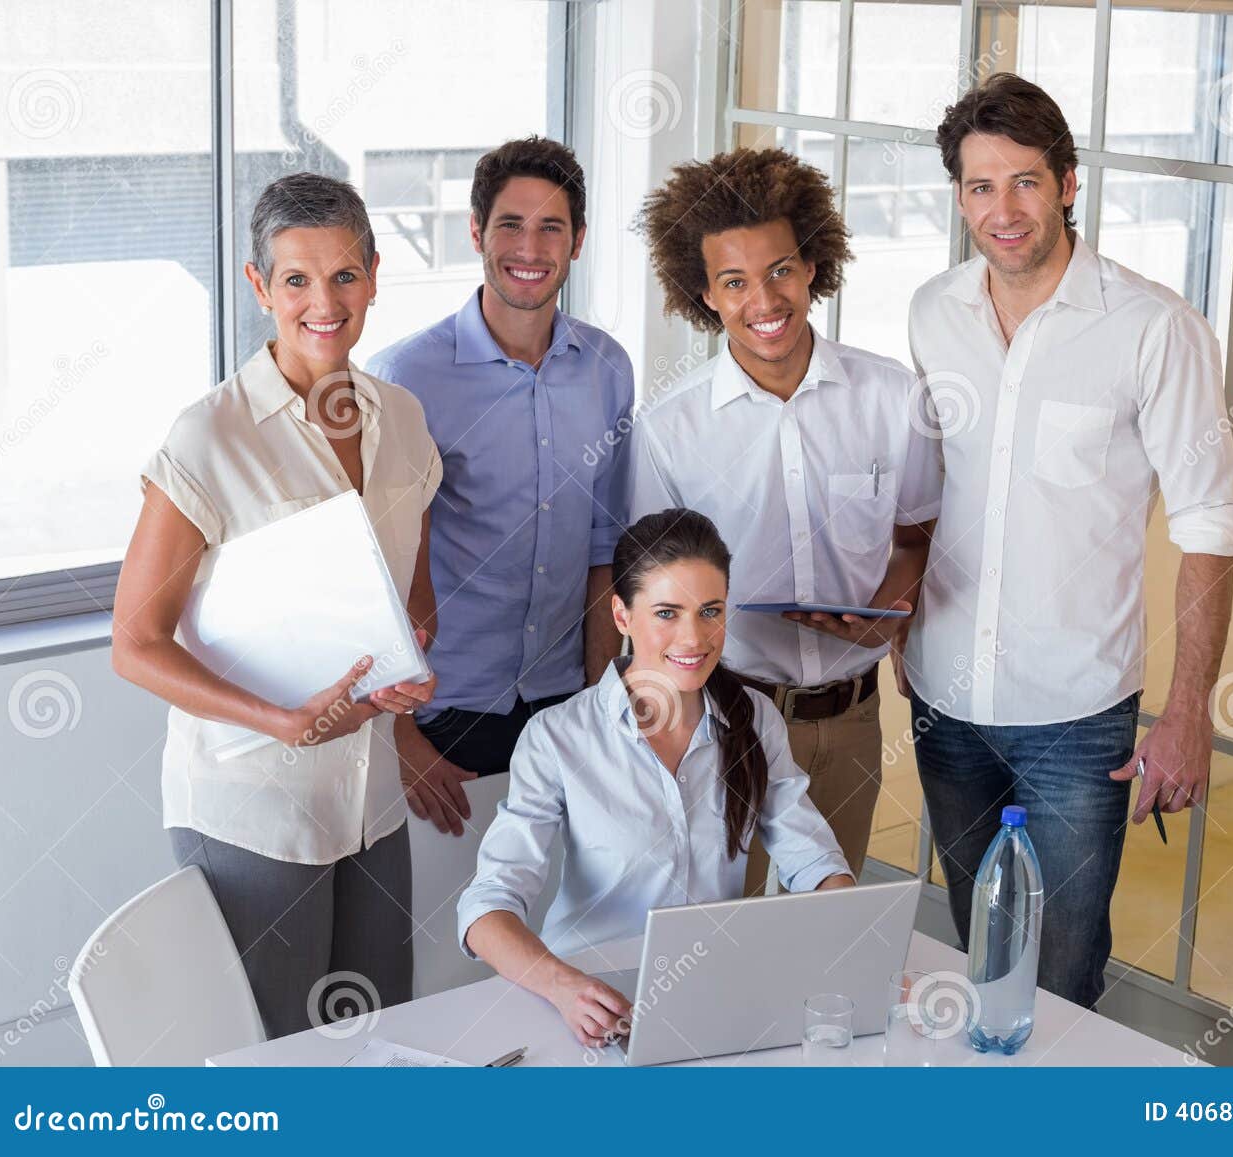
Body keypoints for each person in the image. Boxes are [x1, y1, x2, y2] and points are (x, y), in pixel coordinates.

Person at [902, 74, 1233, 1010]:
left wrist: (1188, 708)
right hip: (944, 696)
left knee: (1059, 970)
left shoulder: (1154, 327)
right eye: (980, 187)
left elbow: (1208, 524)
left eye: (1023, 181)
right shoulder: (933, 311)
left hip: (1079, 711)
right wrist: (898, 621)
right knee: (977, 944)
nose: (1002, 209)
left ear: (1067, 182)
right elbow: (931, 486)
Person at [111, 172, 442, 1038]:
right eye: (295, 279)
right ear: (260, 288)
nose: (322, 302)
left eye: (343, 275)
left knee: (380, 1034)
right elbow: (135, 642)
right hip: (252, 802)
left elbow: (415, 596)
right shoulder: (207, 437)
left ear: (374, 275)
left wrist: (408, 662)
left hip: (369, 799)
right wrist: (276, 718)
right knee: (282, 1053)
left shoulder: (403, 418)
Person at [631, 148, 941, 895]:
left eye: (779, 271)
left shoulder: (894, 398)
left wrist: (889, 614)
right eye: (733, 281)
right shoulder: (670, 429)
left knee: (829, 941)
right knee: (723, 940)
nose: (762, 299)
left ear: (812, 268)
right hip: (728, 717)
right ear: (704, 295)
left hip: (853, 721)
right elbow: (650, 597)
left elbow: (918, 534)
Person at [458, 509, 855, 1047]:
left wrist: (854, 930)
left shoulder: (755, 718)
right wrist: (563, 987)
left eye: (710, 611)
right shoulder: (558, 737)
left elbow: (813, 860)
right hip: (589, 998)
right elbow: (488, 906)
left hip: (714, 993)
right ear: (621, 615)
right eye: (667, 612)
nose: (693, 637)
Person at [368, 137, 635, 835]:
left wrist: (600, 705)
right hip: (445, 714)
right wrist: (401, 741)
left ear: (578, 241)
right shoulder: (406, 376)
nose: (530, 247)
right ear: (476, 231)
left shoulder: (608, 368)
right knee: (448, 931)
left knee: (559, 923)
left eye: (551, 227)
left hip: (564, 708)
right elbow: (369, 570)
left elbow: (605, 549)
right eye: (511, 225)